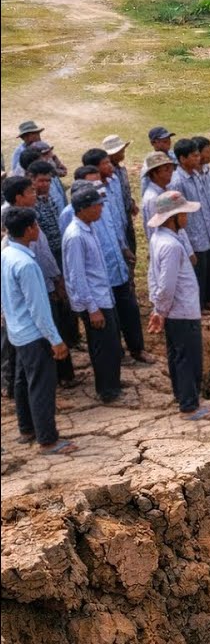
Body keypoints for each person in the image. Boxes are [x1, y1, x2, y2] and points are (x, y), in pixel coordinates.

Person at [2, 207, 76, 454]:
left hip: (17, 331)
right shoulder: (26, 265)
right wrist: (55, 339)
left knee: (23, 382)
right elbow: (38, 309)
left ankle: (27, 429)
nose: (39, 229)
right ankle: (48, 440)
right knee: (42, 386)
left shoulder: (7, 254)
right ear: (28, 230)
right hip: (34, 334)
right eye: (36, 225)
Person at [146, 191, 210, 420]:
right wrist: (160, 310)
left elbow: (153, 277)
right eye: (183, 214)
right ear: (172, 218)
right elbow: (167, 285)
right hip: (182, 311)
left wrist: (158, 308)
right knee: (188, 359)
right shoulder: (172, 246)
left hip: (173, 311)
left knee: (177, 356)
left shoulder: (158, 239)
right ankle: (189, 406)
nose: (187, 217)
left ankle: (181, 396)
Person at [3, 175, 74, 386]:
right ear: (18, 197)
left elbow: (44, 254)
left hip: (42, 281)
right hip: (29, 289)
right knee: (30, 346)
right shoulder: (15, 229)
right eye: (30, 192)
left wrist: (56, 278)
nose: (36, 194)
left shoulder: (30, 219)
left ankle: (60, 375)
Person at [87, 149, 151, 365]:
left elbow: (114, 224)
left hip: (118, 261)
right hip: (102, 270)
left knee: (129, 309)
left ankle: (137, 349)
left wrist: (124, 248)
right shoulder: (83, 207)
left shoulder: (111, 186)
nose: (110, 166)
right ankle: (118, 355)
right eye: (105, 163)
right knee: (111, 315)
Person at [62, 186, 124, 403]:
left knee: (112, 345)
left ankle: (113, 384)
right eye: (97, 205)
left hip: (103, 296)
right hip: (95, 302)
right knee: (102, 348)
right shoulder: (75, 236)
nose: (101, 209)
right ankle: (107, 391)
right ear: (83, 209)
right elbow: (77, 277)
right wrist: (92, 308)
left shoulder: (89, 228)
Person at [25, 160, 81, 358]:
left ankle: (72, 338)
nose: (45, 185)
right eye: (41, 181)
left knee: (67, 297)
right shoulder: (30, 208)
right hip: (44, 260)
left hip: (59, 253)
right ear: (31, 180)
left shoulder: (52, 200)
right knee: (55, 299)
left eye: (48, 181)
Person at [172, 139, 210, 311]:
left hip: (207, 230)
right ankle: (199, 306)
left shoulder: (196, 175)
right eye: (194, 156)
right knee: (198, 272)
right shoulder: (178, 182)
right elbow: (178, 216)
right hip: (193, 234)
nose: (198, 158)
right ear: (182, 159)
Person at [102, 135, 140, 256]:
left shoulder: (121, 170)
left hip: (126, 216)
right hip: (116, 218)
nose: (123, 152)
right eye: (121, 151)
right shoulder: (109, 174)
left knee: (131, 244)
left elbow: (124, 191)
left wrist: (131, 202)